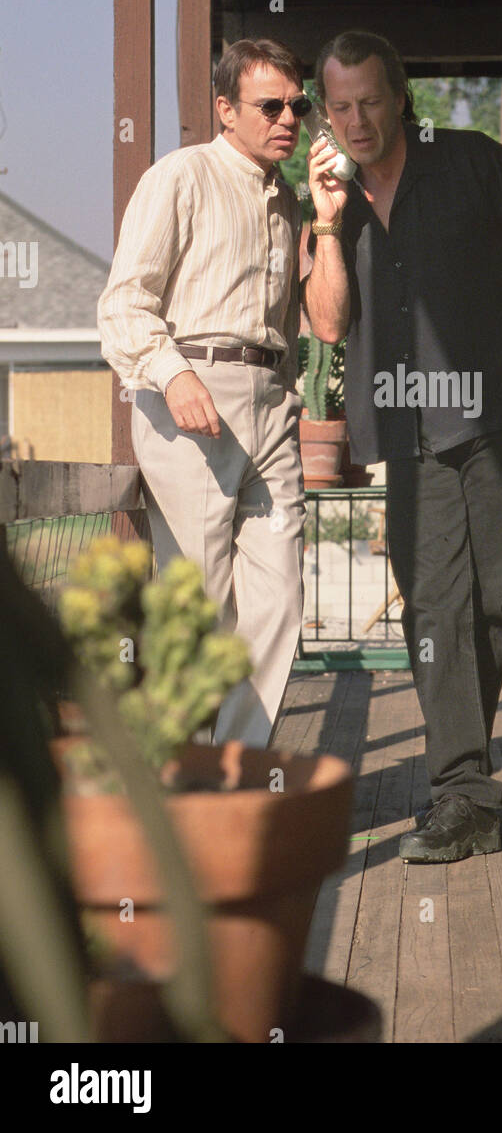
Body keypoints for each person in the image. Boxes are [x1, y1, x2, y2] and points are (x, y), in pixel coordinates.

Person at [302, 29, 502, 861]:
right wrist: (329, 226)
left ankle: (463, 785)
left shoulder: (471, 159)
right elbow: (328, 324)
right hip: (404, 431)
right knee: (435, 606)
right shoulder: (329, 205)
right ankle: (464, 795)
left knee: (490, 597)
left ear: (401, 97)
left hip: (499, 413)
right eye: (339, 107)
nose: (356, 120)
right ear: (324, 112)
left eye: (369, 101)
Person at [98, 38, 310, 748]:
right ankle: (179, 774)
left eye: (298, 105)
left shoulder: (291, 203)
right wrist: (173, 374)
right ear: (225, 108)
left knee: (280, 596)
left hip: (271, 398)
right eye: (270, 105)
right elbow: (126, 301)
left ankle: (240, 767)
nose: (289, 118)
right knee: (201, 600)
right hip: (192, 394)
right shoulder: (180, 175)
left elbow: (302, 322)